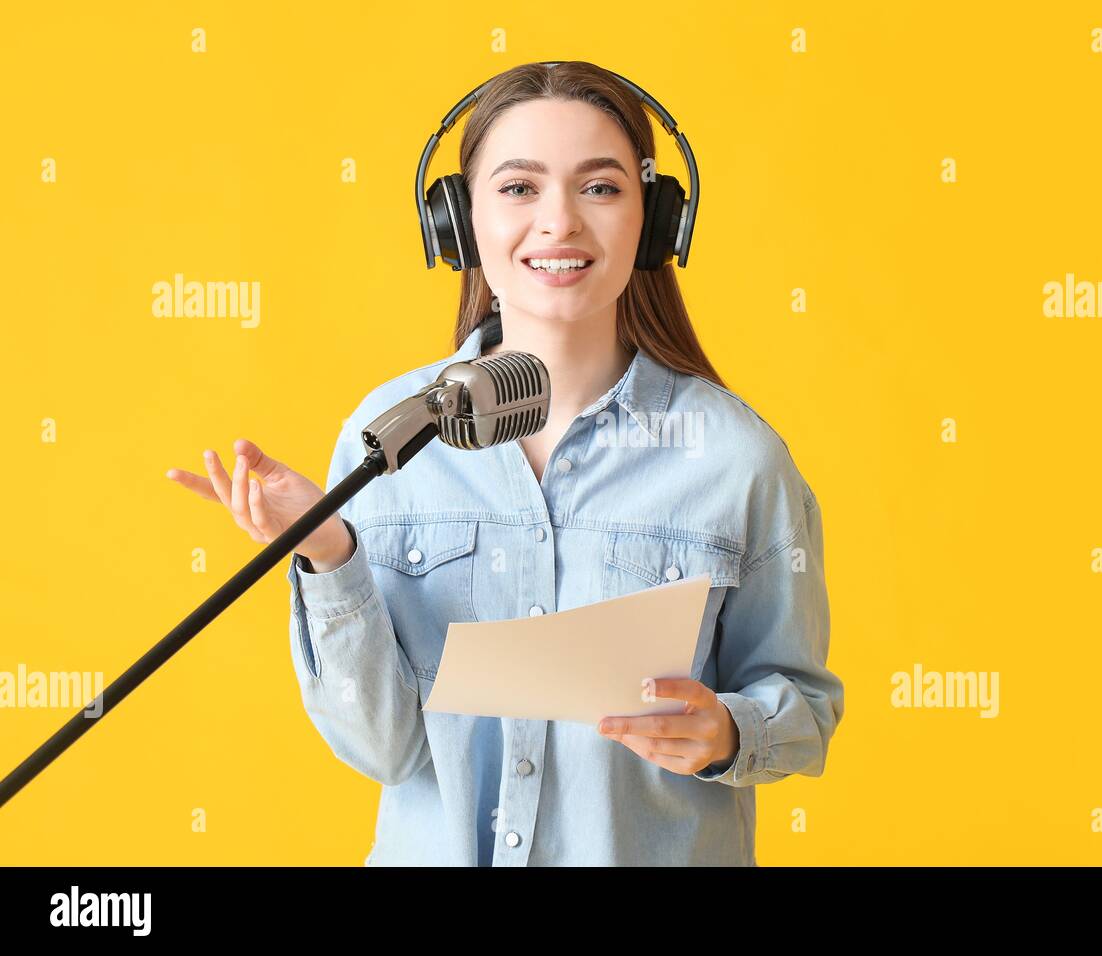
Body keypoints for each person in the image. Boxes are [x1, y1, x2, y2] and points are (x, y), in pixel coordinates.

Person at [165, 60, 844, 866]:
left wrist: (731, 732)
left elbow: (803, 707)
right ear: (458, 222)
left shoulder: (737, 460)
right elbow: (382, 750)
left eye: (601, 188)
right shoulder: (389, 441)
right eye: (519, 188)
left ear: (656, 222)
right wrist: (329, 556)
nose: (559, 223)